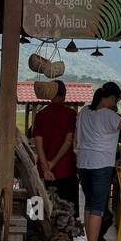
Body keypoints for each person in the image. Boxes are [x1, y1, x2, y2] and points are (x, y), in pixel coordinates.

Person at [75, 82, 121, 241]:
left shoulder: (84, 111)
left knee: (88, 205)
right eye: (115, 101)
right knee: (98, 208)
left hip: (83, 162)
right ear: (111, 98)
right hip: (101, 164)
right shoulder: (110, 115)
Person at [33, 81, 78, 213]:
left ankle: (36, 232)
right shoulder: (71, 114)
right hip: (66, 171)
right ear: (64, 95)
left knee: (37, 213)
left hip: (42, 171)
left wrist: (46, 167)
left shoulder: (40, 115)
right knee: (67, 216)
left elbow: (38, 144)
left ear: (50, 94)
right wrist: (52, 164)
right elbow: (68, 142)